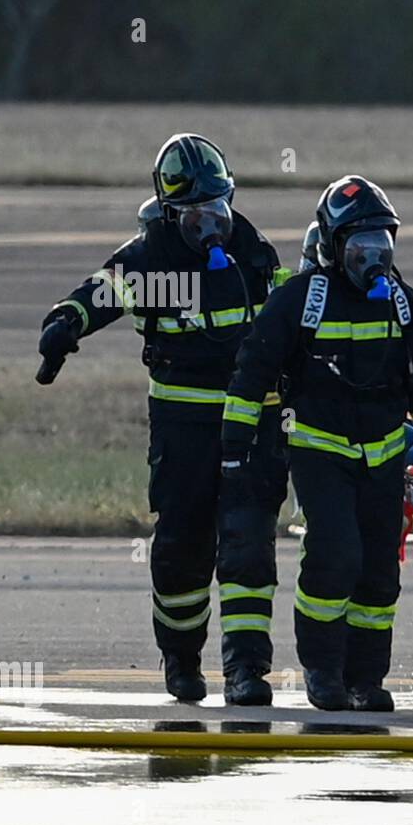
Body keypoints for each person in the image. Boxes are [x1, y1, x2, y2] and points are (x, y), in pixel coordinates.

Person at [36, 134, 290, 705]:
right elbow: (99, 292)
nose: (213, 224)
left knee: (249, 546)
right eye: (199, 213)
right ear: (172, 211)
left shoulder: (252, 251)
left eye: (219, 208)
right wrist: (64, 325)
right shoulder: (150, 259)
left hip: (253, 426)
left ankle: (249, 671)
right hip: (184, 434)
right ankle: (181, 661)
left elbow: (290, 315)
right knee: (182, 548)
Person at [220, 175, 413, 711]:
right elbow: (252, 371)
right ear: (333, 246)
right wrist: (235, 444)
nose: (372, 258)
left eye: (382, 245)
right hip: (321, 451)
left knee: (378, 570)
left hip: (386, 454)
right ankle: (323, 672)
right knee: (334, 555)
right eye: (360, 246)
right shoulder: (301, 300)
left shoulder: (402, 304)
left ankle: (365, 679)